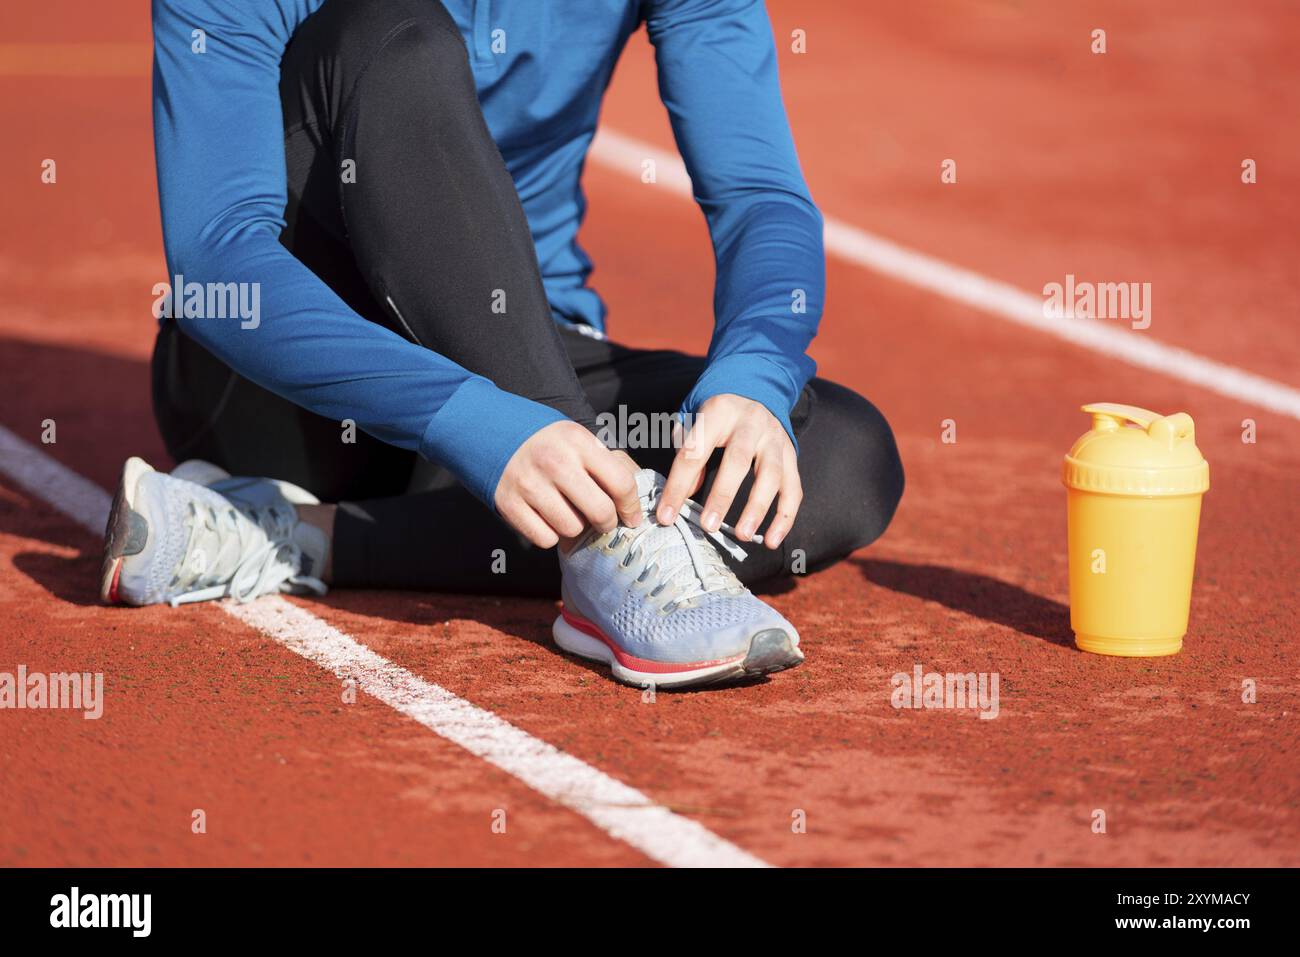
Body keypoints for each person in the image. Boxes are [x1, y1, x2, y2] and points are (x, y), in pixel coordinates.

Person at [103, 0, 904, 688]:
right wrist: (480, 422)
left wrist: (753, 374)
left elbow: (759, 195)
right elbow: (217, 256)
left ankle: (298, 535)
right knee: (394, 33)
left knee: (840, 455)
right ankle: (606, 539)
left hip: (525, 380)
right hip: (292, 401)